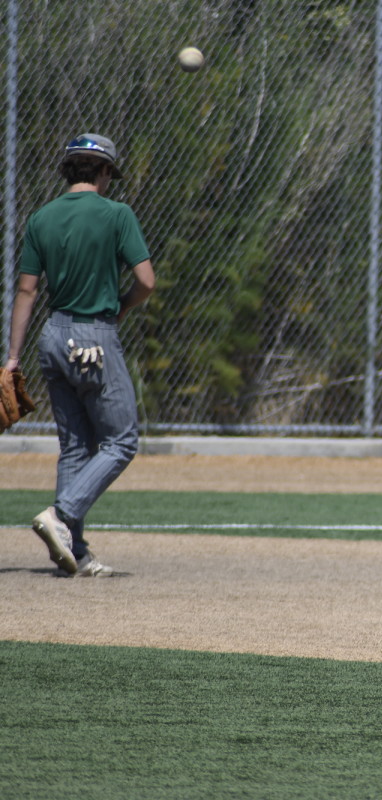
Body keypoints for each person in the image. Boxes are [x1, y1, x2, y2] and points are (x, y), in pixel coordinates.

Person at [5, 133, 156, 577]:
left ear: (69, 169)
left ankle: (76, 552)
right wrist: (123, 307)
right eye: (110, 173)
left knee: (74, 446)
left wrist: (12, 357)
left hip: (52, 336)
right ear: (104, 171)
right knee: (121, 441)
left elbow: (26, 291)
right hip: (94, 336)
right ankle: (61, 514)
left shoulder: (42, 217)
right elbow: (146, 281)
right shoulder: (116, 214)